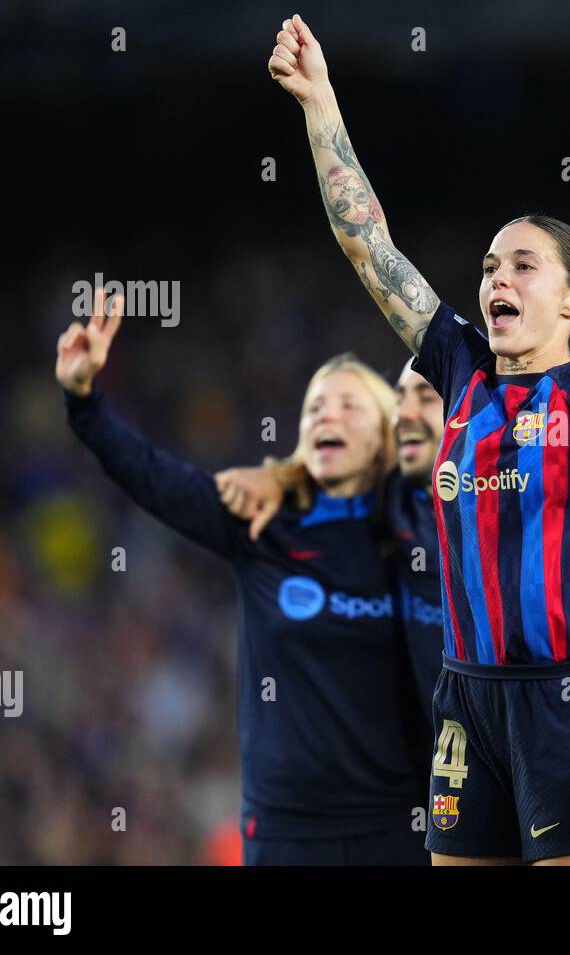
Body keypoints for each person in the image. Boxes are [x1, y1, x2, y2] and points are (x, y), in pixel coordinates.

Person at [268, 14, 570, 864]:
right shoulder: (459, 367)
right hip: (467, 702)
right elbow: (366, 242)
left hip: (566, 701)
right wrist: (320, 102)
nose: (497, 279)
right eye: (489, 266)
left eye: (523, 265)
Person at [218, 362, 570, 837]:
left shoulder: (520, 553)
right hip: (388, 817)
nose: (407, 415)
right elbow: (320, 474)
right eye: (399, 400)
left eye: (427, 397)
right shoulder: (361, 523)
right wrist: (281, 476)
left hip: (486, 803)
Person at [57, 289, 429, 865]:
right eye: (314, 409)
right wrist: (84, 400)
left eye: (348, 407)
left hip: (404, 826)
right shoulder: (264, 523)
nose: (326, 416)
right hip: (288, 831)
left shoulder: (424, 526)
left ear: (387, 434)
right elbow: (155, 478)